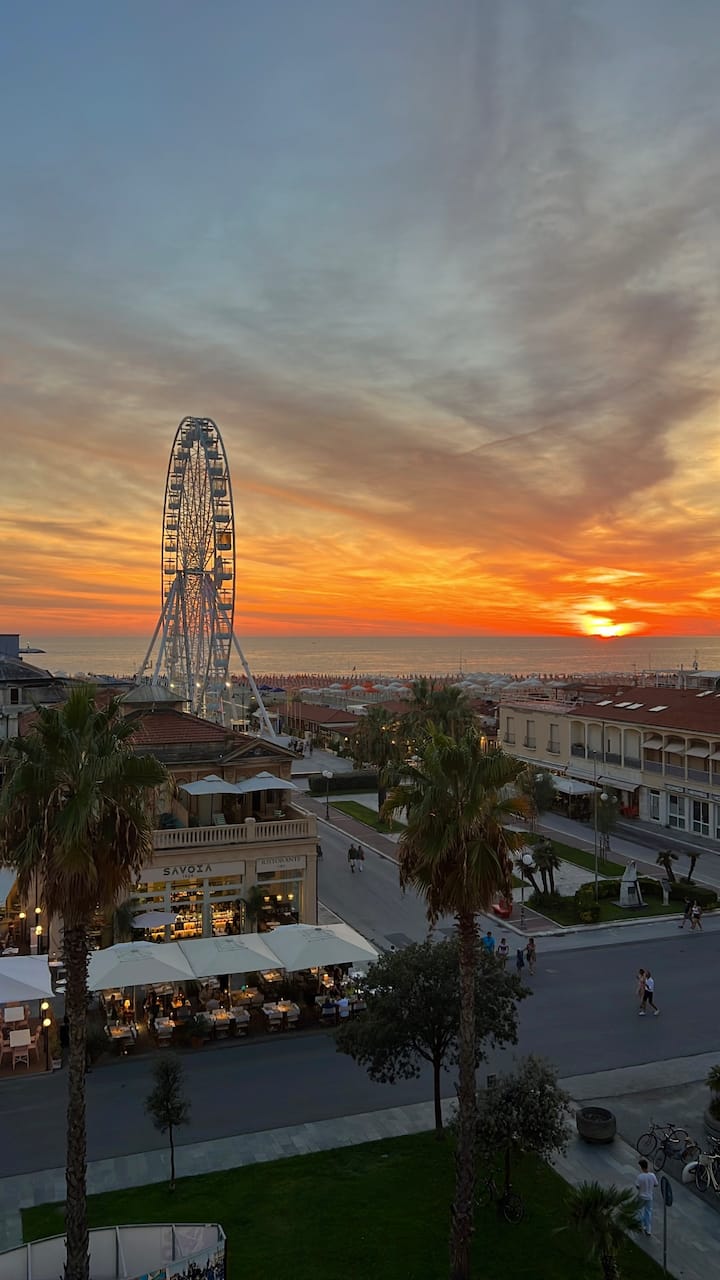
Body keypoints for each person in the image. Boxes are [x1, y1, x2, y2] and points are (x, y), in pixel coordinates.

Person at [635, 1158, 659, 1235]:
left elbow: (637, 1186)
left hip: (641, 1196)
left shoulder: (640, 1176)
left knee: (639, 1210)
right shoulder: (652, 1175)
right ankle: (648, 1229)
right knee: (648, 1212)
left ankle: (639, 1225)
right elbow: (656, 1184)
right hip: (649, 1197)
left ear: (641, 1167)